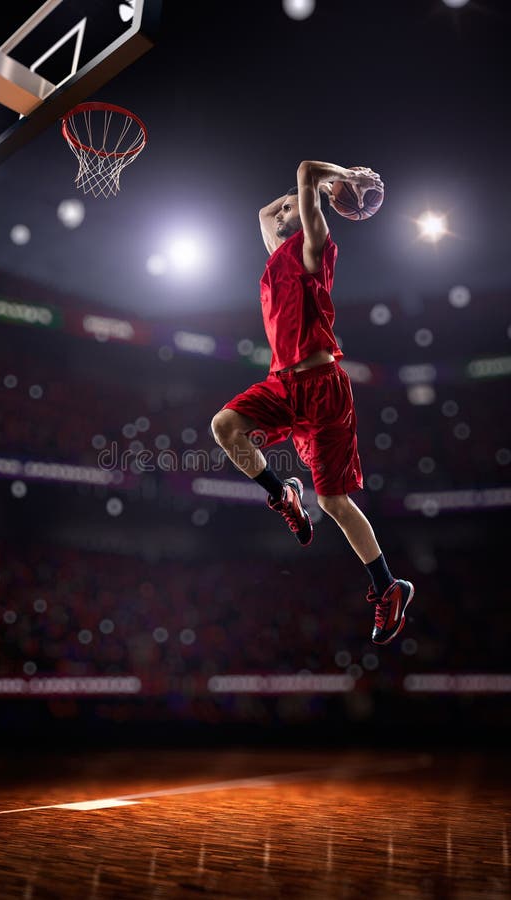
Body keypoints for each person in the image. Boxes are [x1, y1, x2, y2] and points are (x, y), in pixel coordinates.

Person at [210, 159, 414, 645]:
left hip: (323, 385)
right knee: (224, 426)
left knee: (335, 501)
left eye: (292, 210)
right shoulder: (278, 249)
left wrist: (341, 179)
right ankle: (283, 494)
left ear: (309, 214)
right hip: (282, 382)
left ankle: (388, 586)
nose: (281, 214)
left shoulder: (314, 245)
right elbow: (264, 211)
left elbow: (305, 173)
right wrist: (303, 195)